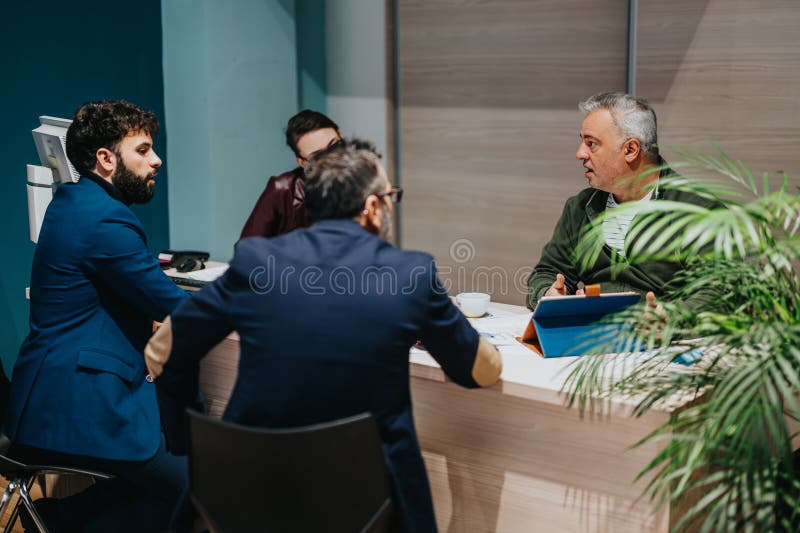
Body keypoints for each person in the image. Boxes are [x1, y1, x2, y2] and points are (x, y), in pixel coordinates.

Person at [146, 139, 503, 532]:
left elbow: (163, 351)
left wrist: (186, 432)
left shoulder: (257, 261)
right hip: (366, 504)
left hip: (247, 492)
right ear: (371, 207)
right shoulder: (409, 273)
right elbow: (480, 371)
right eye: (390, 197)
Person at [5, 100, 189, 532]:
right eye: (143, 150)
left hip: (49, 392)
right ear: (106, 159)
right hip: (78, 402)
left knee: (146, 481)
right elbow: (175, 303)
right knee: (188, 485)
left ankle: (58, 520)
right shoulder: (104, 219)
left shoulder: (73, 201)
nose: (156, 159)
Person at [526, 91, 718, 310]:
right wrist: (550, 294)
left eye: (592, 144)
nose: (580, 153)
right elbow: (547, 273)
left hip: (662, 340)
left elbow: (720, 291)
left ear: (631, 150)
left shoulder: (698, 211)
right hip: (591, 337)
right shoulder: (580, 208)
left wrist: (672, 319)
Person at [239, 109, 342, 238]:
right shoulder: (283, 189)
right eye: (318, 156)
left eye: (334, 146)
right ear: (303, 163)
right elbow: (248, 249)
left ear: (341, 136)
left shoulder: (368, 181)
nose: (333, 158)